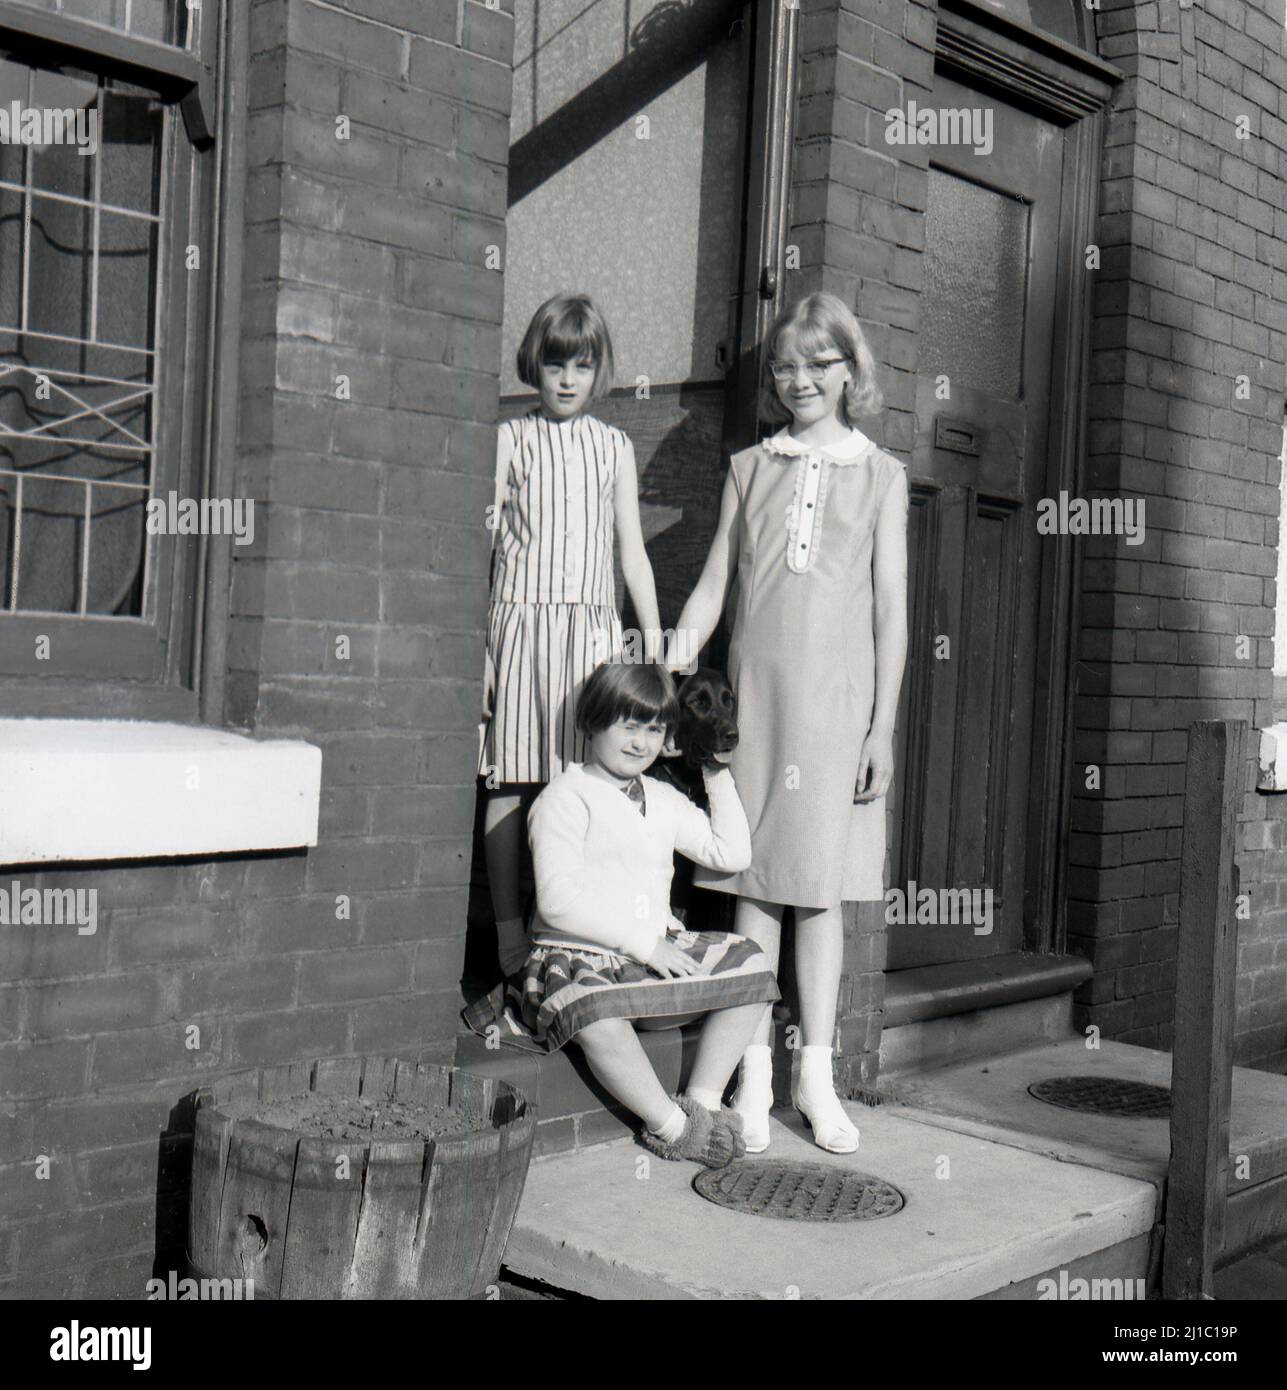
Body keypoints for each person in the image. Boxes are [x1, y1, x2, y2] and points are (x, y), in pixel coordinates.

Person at [670, 291, 909, 1154]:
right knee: (751, 886)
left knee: (818, 896)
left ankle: (814, 1075)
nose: (799, 379)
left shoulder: (880, 475)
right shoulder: (750, 466)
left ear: (851, 371)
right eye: (785, 365)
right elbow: (711, 586)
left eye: (818, 364)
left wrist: (880, 730)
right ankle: (749, 1078)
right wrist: (673, 657)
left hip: (835, 711)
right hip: (751, 707)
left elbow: (890, 613)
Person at [519, 661, 780, 1166]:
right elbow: (557, 901)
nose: (642, 743)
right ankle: (672, 1125)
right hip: (578, 958)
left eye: (655, 729)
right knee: (597, 1020)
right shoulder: (565, 798)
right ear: (591, 723)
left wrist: (713, 769)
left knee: (753, 963)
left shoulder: (662, 798)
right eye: (629, 726)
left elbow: (731, 854)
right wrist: (644, 942)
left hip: (648, 961)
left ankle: (701, 1104)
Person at [481, 294, 661, 980]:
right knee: (513, 781)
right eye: (554, 363)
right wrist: (480, 649)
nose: (565, 379)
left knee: (586, 788)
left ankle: (567, 931)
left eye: (580, 366)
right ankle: (507, 936)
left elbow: (631, 553)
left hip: (590, 636)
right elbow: (486, 548)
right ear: (535, 363)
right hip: (522, 627)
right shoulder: (510, 438)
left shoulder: (614, 446)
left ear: (597, 371)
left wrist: (650, 643)